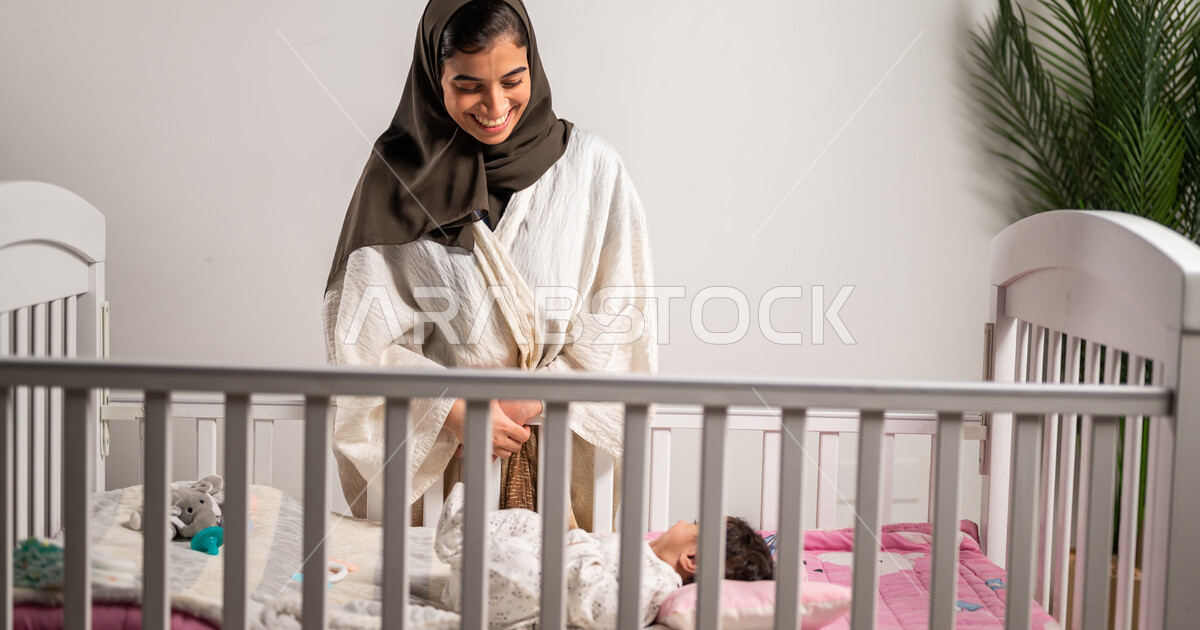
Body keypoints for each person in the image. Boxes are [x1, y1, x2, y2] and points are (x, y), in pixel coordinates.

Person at [322, 0, 658, 529]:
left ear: (534, 67)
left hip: (555, 443)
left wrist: (530, 399)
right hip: (446, 459)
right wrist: (455, 409)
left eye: (512, 79)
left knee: (561, 599)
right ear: (435, 78)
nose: (494, 104)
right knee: (431, 600)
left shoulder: (593, 168)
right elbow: (359, 336)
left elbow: (622, 314)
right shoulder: (397, 174)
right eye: (468, 85)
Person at [433, 483, 775, 628]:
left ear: (694, 559)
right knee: (530, 522)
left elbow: (605, 607)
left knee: (523, 566)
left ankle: (462, 541)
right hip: (513, 578)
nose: (685, 520)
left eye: (695, 525)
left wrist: (579, 547)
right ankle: (468, 534)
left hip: (514, 601)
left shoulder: (658, 583)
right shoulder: (642, 553)